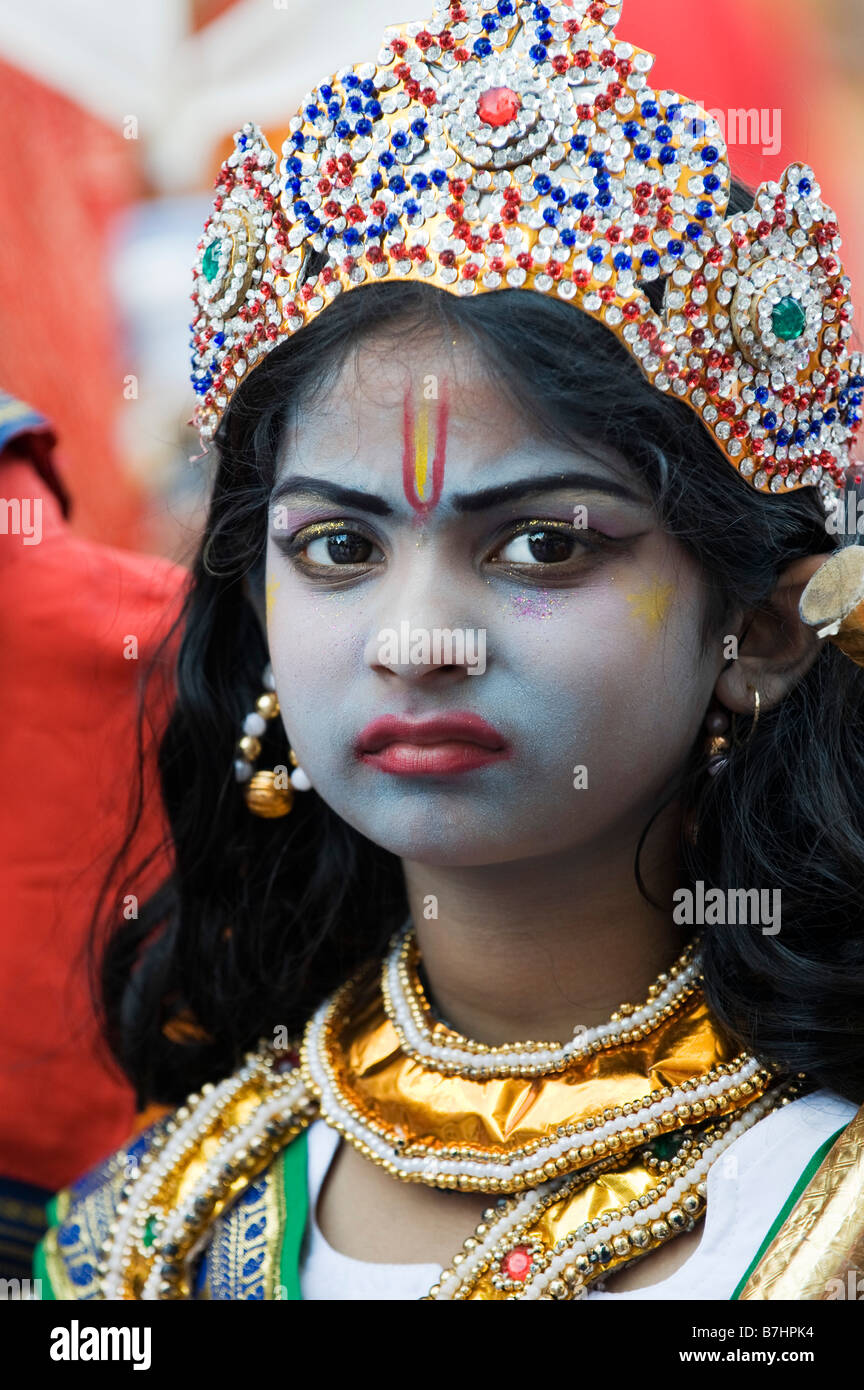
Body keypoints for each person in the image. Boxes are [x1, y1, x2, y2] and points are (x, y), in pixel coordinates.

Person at [35, 0, 864, 1301]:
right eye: (338, 550)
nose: (416, 639)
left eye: (541, 547)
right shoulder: (145, 1233)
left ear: (758, 629)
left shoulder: (822, 1212)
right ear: (256, 609)